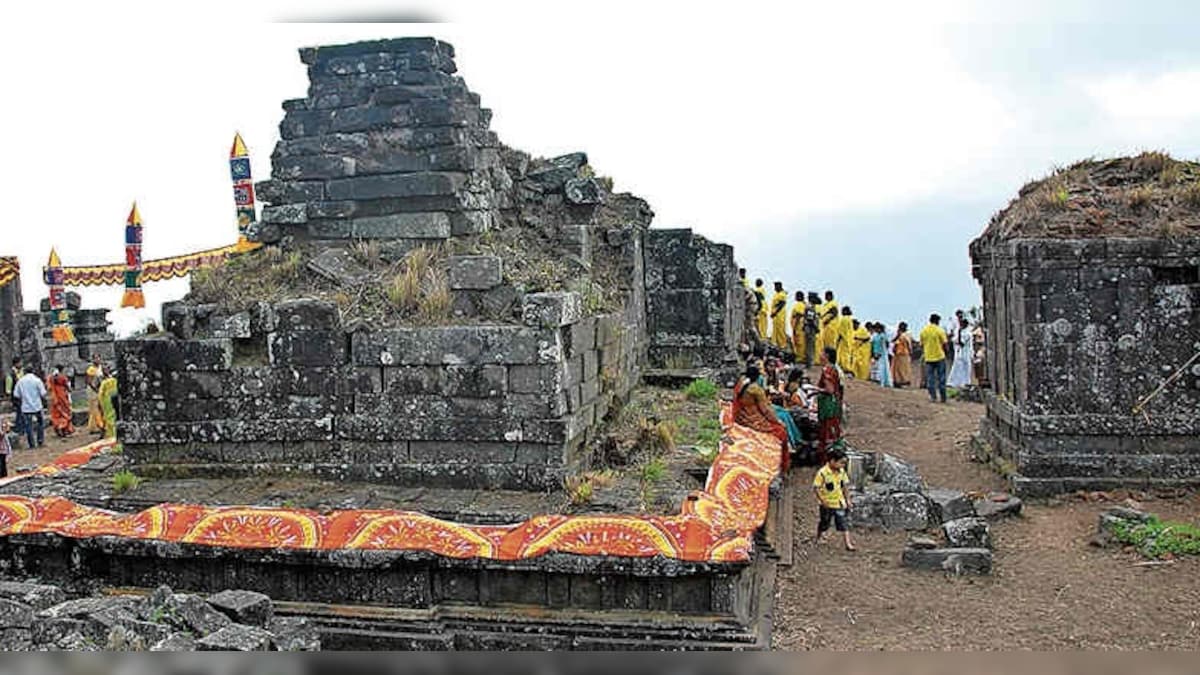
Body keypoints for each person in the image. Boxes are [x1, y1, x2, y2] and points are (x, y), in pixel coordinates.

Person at [733, 364, 790, 470]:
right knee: (781, 431)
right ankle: (783, 466)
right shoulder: (756, 389)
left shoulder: (741, 384)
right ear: (758, 377)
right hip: (752, 419)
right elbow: (766, 411)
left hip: (742, 416)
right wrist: (778, 421)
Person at [812, 447, 855, 551]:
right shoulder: (822, 473)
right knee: (824, 522)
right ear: (832, 461)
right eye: (841, 463)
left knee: (844, 523)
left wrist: (848, 500)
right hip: (827, 503)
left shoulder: (841, 472)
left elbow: (845, 487)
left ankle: (848, 543)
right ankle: (819, 536)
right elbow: (816, 488)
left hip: (839, 503)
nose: (842, 465)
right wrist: (822, 500)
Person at [815, 347, 844, 466]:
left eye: (822, 353)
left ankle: (828, 460)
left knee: (826, 430)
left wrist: (815, 389)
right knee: (833, 430)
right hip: (834, 403)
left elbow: (829, 390)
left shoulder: (827, 370)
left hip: (828, 404)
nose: (820, 355)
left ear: (826, 356)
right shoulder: (834, 369)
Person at [12, 369, 47, 449]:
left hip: (26, 407)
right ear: (33, 372)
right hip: (37, 406)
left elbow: (16, 395)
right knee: (40, 423)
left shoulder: (20, 381)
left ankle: (32, 444)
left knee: (28, 426)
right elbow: (43, 393)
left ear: (24, 372)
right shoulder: (37, 380)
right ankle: (40, 441)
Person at [920, 313, 949, 403]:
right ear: (937, 321)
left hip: (928, 357)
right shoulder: (940, 330)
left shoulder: (924, 331)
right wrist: (947, 353)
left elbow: (921, 344)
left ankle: (933, 396)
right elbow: (945, 344)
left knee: (930, 377)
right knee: (941, 377)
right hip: (939, 356)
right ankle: (943, 397)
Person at [46, 365, 75, 437]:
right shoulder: (62, 377)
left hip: (55, 397)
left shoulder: (51, 378)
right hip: (62, 396)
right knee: (65, 412)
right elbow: (67, 387)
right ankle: (64, 429)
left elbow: (49, 387)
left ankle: (58, 428)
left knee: (57, 413)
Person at [947, 316, 974, 389]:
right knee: (957, 367)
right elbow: (954, 340)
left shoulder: (967, 333)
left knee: (966, 368)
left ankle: (966, 383)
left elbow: (961, 343)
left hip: (966, 353)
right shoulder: (961, 332)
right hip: (960, 353)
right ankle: (954, 382)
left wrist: (959, 333)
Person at [5, 358, 24, 445]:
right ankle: (19, 429)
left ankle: (20, 428)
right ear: (16, 364)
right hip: (16, 396)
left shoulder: (21, 372)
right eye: (20, 363)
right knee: (20, 412)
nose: (21, 364)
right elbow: (8, 387)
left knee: (22, 412)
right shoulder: (11, 374)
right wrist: (9, 397)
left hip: (22, 395)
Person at [85, 355, 105, 436]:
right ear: (93, 360)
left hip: (101, 388)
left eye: (99, 358)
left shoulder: (101, 368)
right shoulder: (91, 369)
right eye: (96, 358)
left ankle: (95, 426)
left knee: (99, 408)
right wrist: (96, 390)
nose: (98, 360)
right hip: (93, 390)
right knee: (95, 408)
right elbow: (89, 382)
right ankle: (98, 426)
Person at [98, 366, 119, 439]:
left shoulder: (104, 382)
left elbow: (100, 394)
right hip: (113, 399)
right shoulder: (114, 380)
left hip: (107, 400)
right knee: (113, 416)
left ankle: (111, 434)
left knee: (108, 417)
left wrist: (100, 403)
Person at [891, 322, 914, 387]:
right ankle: (902, 380)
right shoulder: (906, 335)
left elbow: (896, 343)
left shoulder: (903, 335)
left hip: (901, 353)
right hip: (902, 353)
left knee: (900, 368)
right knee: (902, 368)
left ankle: (900, 381)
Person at [817, 291, 839, 358]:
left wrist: (827, 320)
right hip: (825, 327)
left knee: (831, 343)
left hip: (831, 326)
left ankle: (832, 358)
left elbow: (834, 313)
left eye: (827, 296)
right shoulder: (826, 304)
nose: (826, 297)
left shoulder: (833, 303)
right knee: (825, 342)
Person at [871, 323, 893, 388]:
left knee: (882, 367)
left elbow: (885, 345)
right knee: (876, 367)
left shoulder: (883, 336)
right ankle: (878, 380)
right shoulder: (876, 336)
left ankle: (882, 381)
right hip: (876, 352)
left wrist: (880, 353)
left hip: (882, 354)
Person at [835, 307, 854, 379]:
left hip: (843, 340)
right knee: (846, 354)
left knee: (842, 355)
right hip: (849, 340)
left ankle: (845, 369)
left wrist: (837, 340)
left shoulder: (844, 319)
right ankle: (847, 368)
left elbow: (841, 331)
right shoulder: (849, 319)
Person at [803, 293, 820, 367]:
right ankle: (809, 363)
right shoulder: (810, 307)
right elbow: (810, 319)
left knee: (810, 345)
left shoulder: (811, 306)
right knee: (810, 346)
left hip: (810, 328)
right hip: (810, 329)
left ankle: (809, 362)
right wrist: (816, 328)